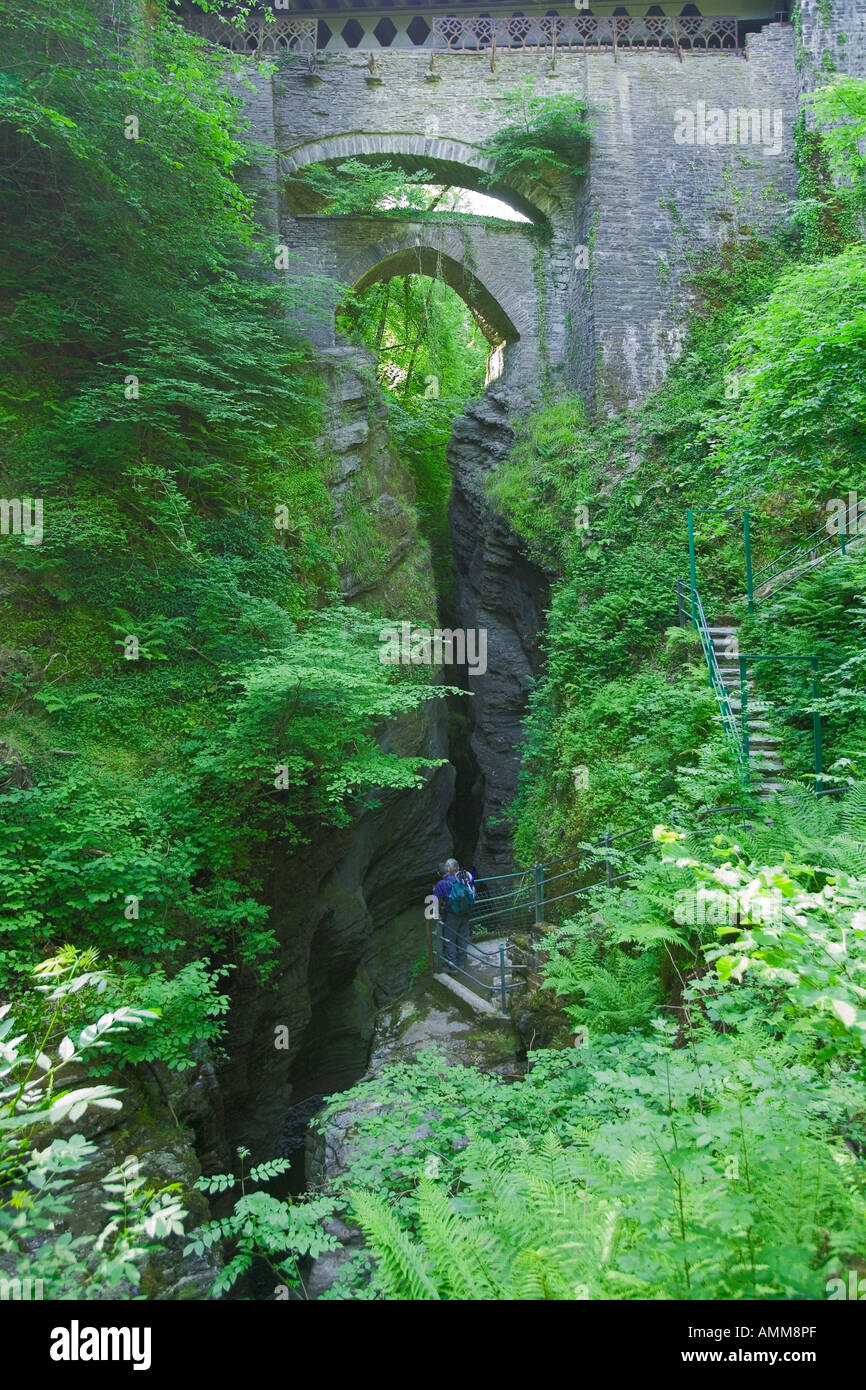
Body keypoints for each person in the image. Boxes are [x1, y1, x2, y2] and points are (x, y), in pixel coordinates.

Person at [432, 857, 476, 970]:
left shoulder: (441, 884)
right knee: (463, 937)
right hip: (465, 912)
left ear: (438, 873)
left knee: (449, 939)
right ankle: (462, 962)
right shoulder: (460, 878)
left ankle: (453, 967)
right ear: (448, 870)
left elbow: (433, 902)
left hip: (452, 915)